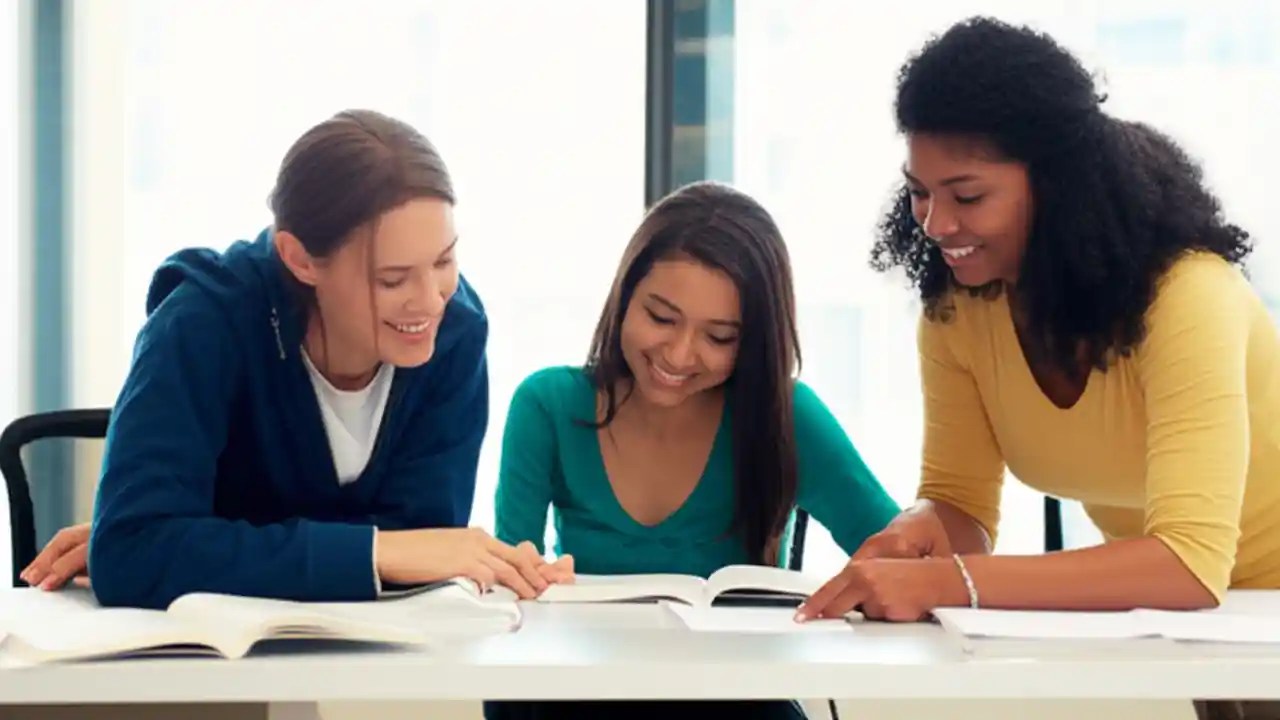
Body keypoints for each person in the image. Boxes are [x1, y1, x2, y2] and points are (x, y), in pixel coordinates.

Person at [794, 18, 1280, 720]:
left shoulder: (1187, 295)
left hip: (1226, 605)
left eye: (967, 196)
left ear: (1056, 185)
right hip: (1197, 626)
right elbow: (960, 504)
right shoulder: (959, 312)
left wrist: (949, 584)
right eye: (919, 192)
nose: (933, 224)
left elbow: (1188, 562)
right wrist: (916, 537)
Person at [20, 109, 565, 608]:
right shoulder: (201, 322)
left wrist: (201, 543)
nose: (430, 300)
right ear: (299, 259)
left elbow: (422, 557)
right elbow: (135, 551)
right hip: (185, 665)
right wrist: (371, 552)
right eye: (393, 278)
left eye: (445, 261)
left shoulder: (457, 329)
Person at [487, 181, 901, 719]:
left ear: (754, 341)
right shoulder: (547, 405)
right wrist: (529, 579)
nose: (680, 355)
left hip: (737, 702)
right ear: (624, 297)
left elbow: (898, 559)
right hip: (576, 699)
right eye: (660, 318)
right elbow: (506, 597)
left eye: (720, 337)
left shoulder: (786, 415)